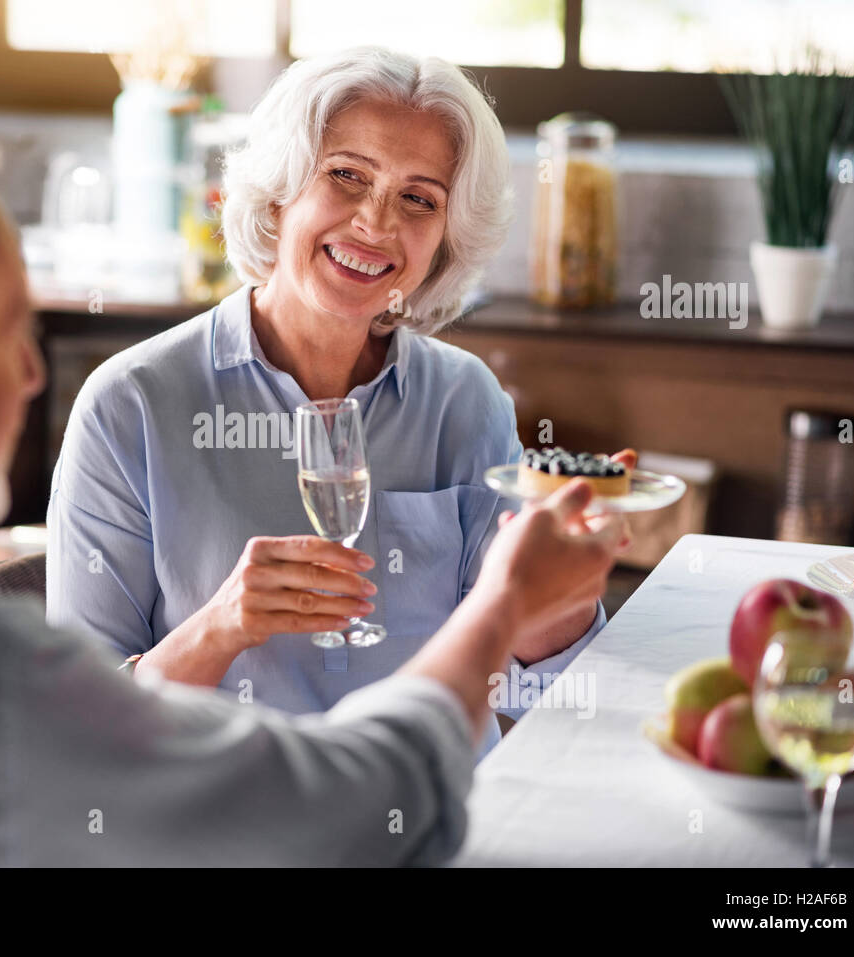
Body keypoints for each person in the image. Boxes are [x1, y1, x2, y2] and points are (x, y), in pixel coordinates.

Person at [0, 111, 624, 866]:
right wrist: (495, 609)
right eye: (10, 333)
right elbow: (360, 814)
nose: (34, 375)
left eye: (416, 196)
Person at [47, 46, 632, 751]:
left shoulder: (465, 398)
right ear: (279, 190)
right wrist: (223, 622)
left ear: (445, 241)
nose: (377, 222)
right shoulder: (130, 406)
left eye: (419, 198)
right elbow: (77, 733)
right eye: (346, 175)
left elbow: (542, 699)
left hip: (430, 821)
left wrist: (554, 586)